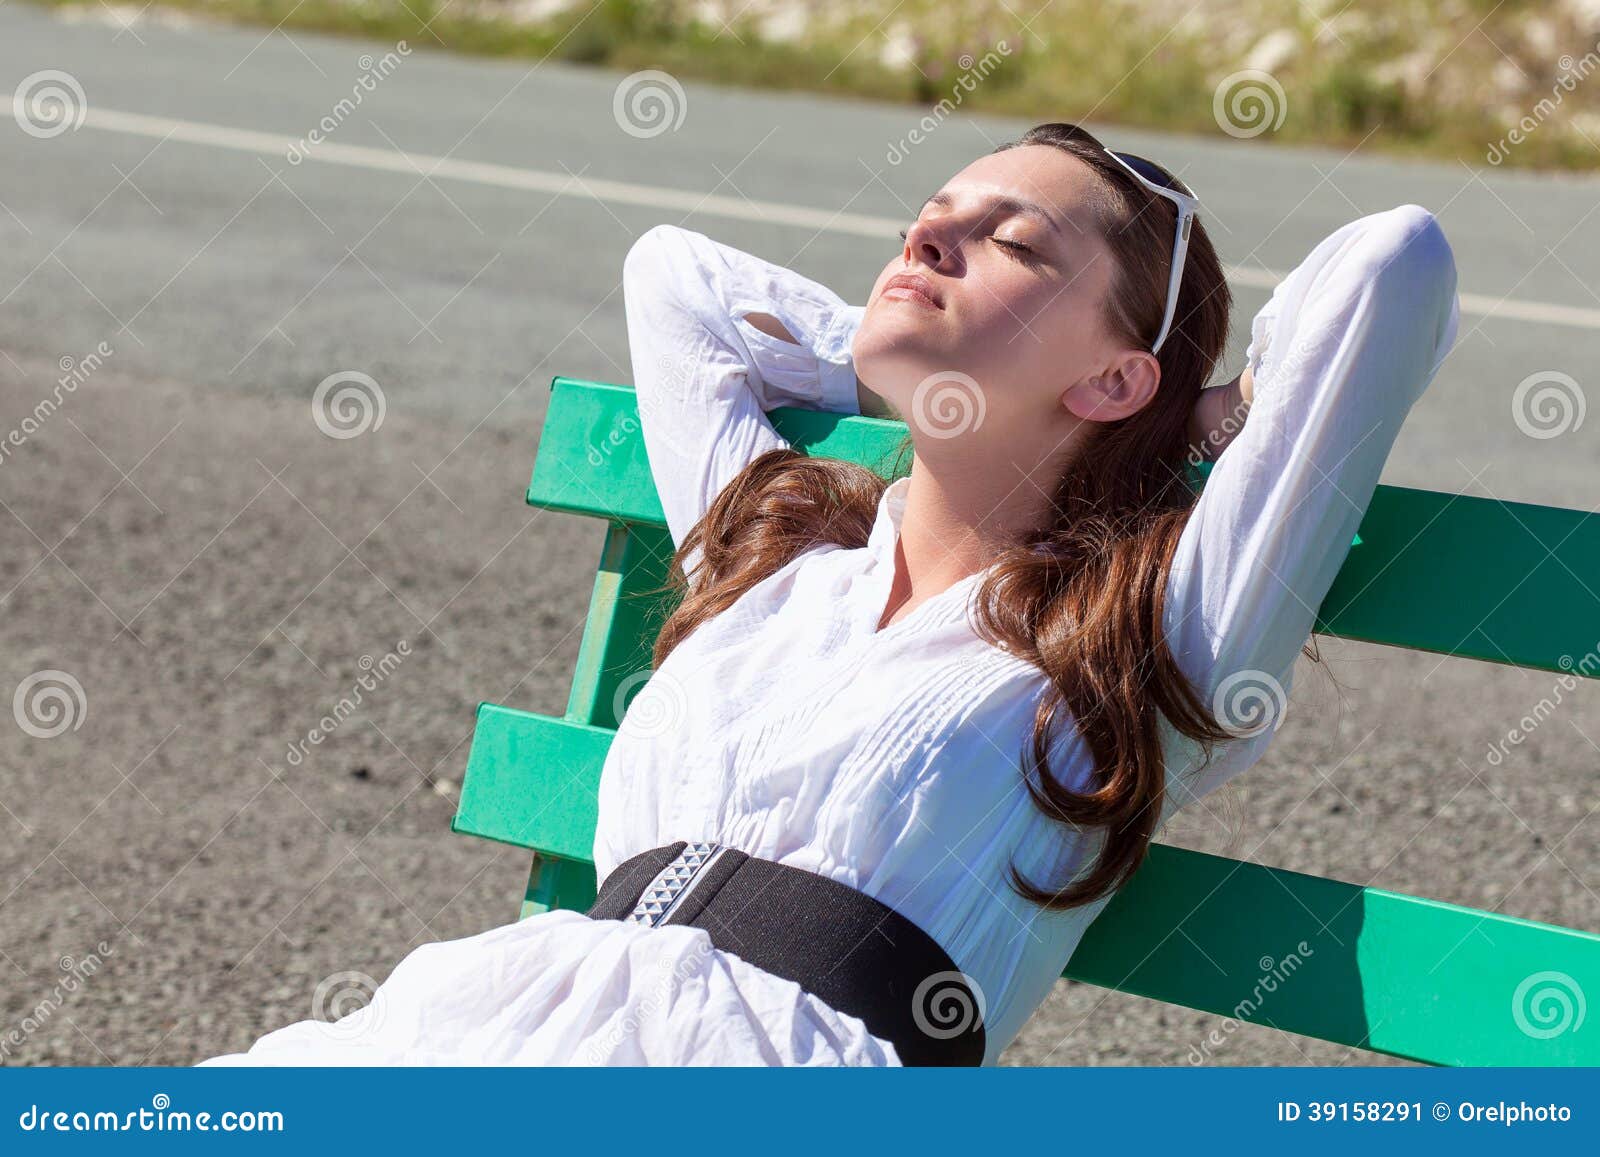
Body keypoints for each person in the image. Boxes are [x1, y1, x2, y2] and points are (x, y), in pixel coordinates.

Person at [201, 122, 1459, 1067]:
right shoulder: (772, 557)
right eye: (930, 217)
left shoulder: (1147, 639)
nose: (927, 241)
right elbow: (676, 279)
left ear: (1116, 378)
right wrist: (913, 353)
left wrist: (1190, 416)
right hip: (468, 1039)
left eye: (1015, 242)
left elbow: (1391, 265)